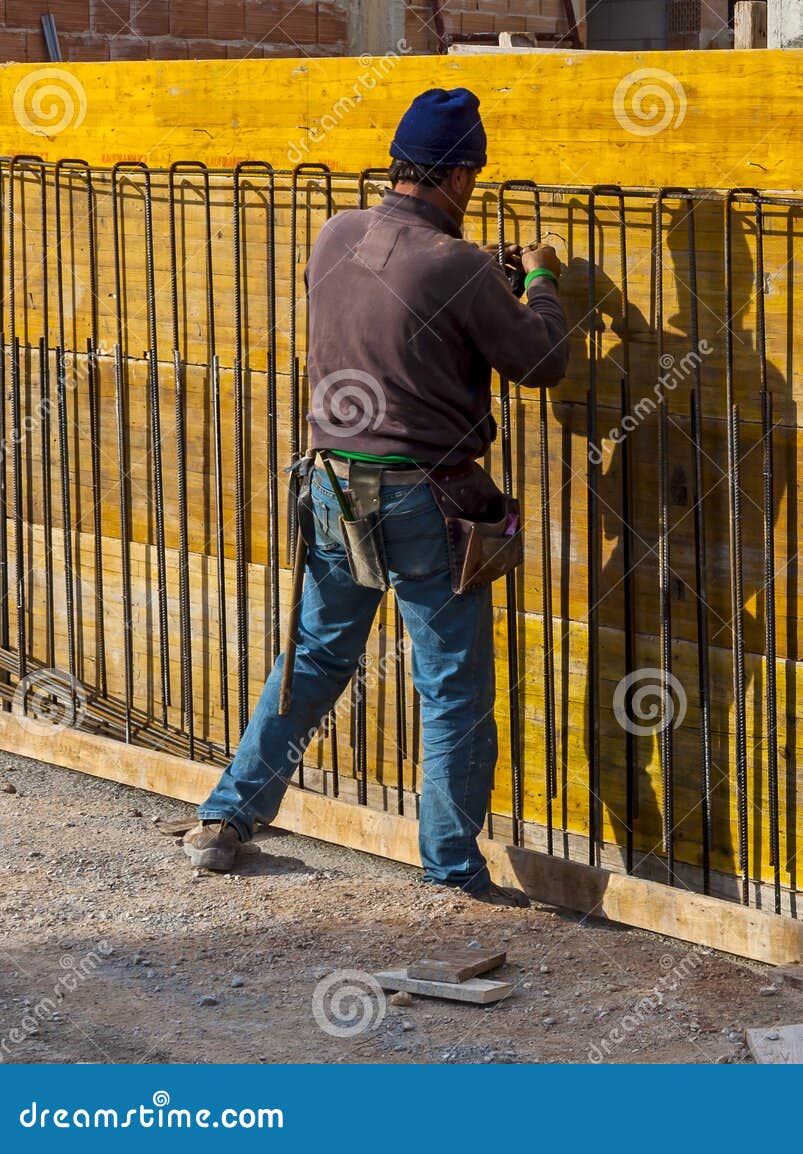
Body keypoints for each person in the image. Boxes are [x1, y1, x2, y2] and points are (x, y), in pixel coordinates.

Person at [183, 88, 569, 907]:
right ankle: (453, 871)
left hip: (331, 487)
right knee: (452, 684)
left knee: (316, 659)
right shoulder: (458, 266)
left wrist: (478, 290)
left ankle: (226, 817)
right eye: (473, 177)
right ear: (461, 175)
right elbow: (543, 363)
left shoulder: (335, 234)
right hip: (428, 503)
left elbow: (400, 314)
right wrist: (538, 281)